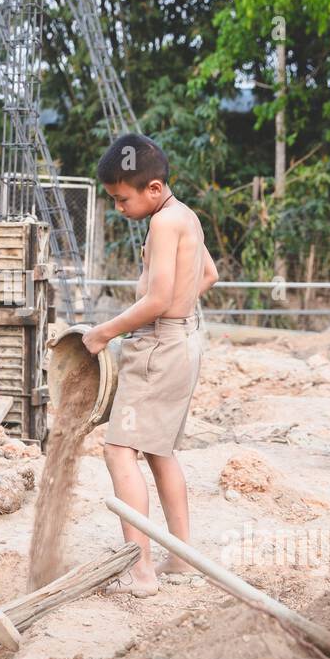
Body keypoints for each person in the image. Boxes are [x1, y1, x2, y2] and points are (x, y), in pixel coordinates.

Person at [81, 133, 218, 596]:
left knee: (119, 450)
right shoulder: (187, 217)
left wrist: (105, 332)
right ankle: (181, 558)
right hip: (186, 340)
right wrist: (179, 308)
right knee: (160, 451)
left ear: (153, 189)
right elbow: (209, 274)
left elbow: (157, 298)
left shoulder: (162, 225)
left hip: (159, 348)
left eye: (122, 198)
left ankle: (140, 572)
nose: (118, 207)